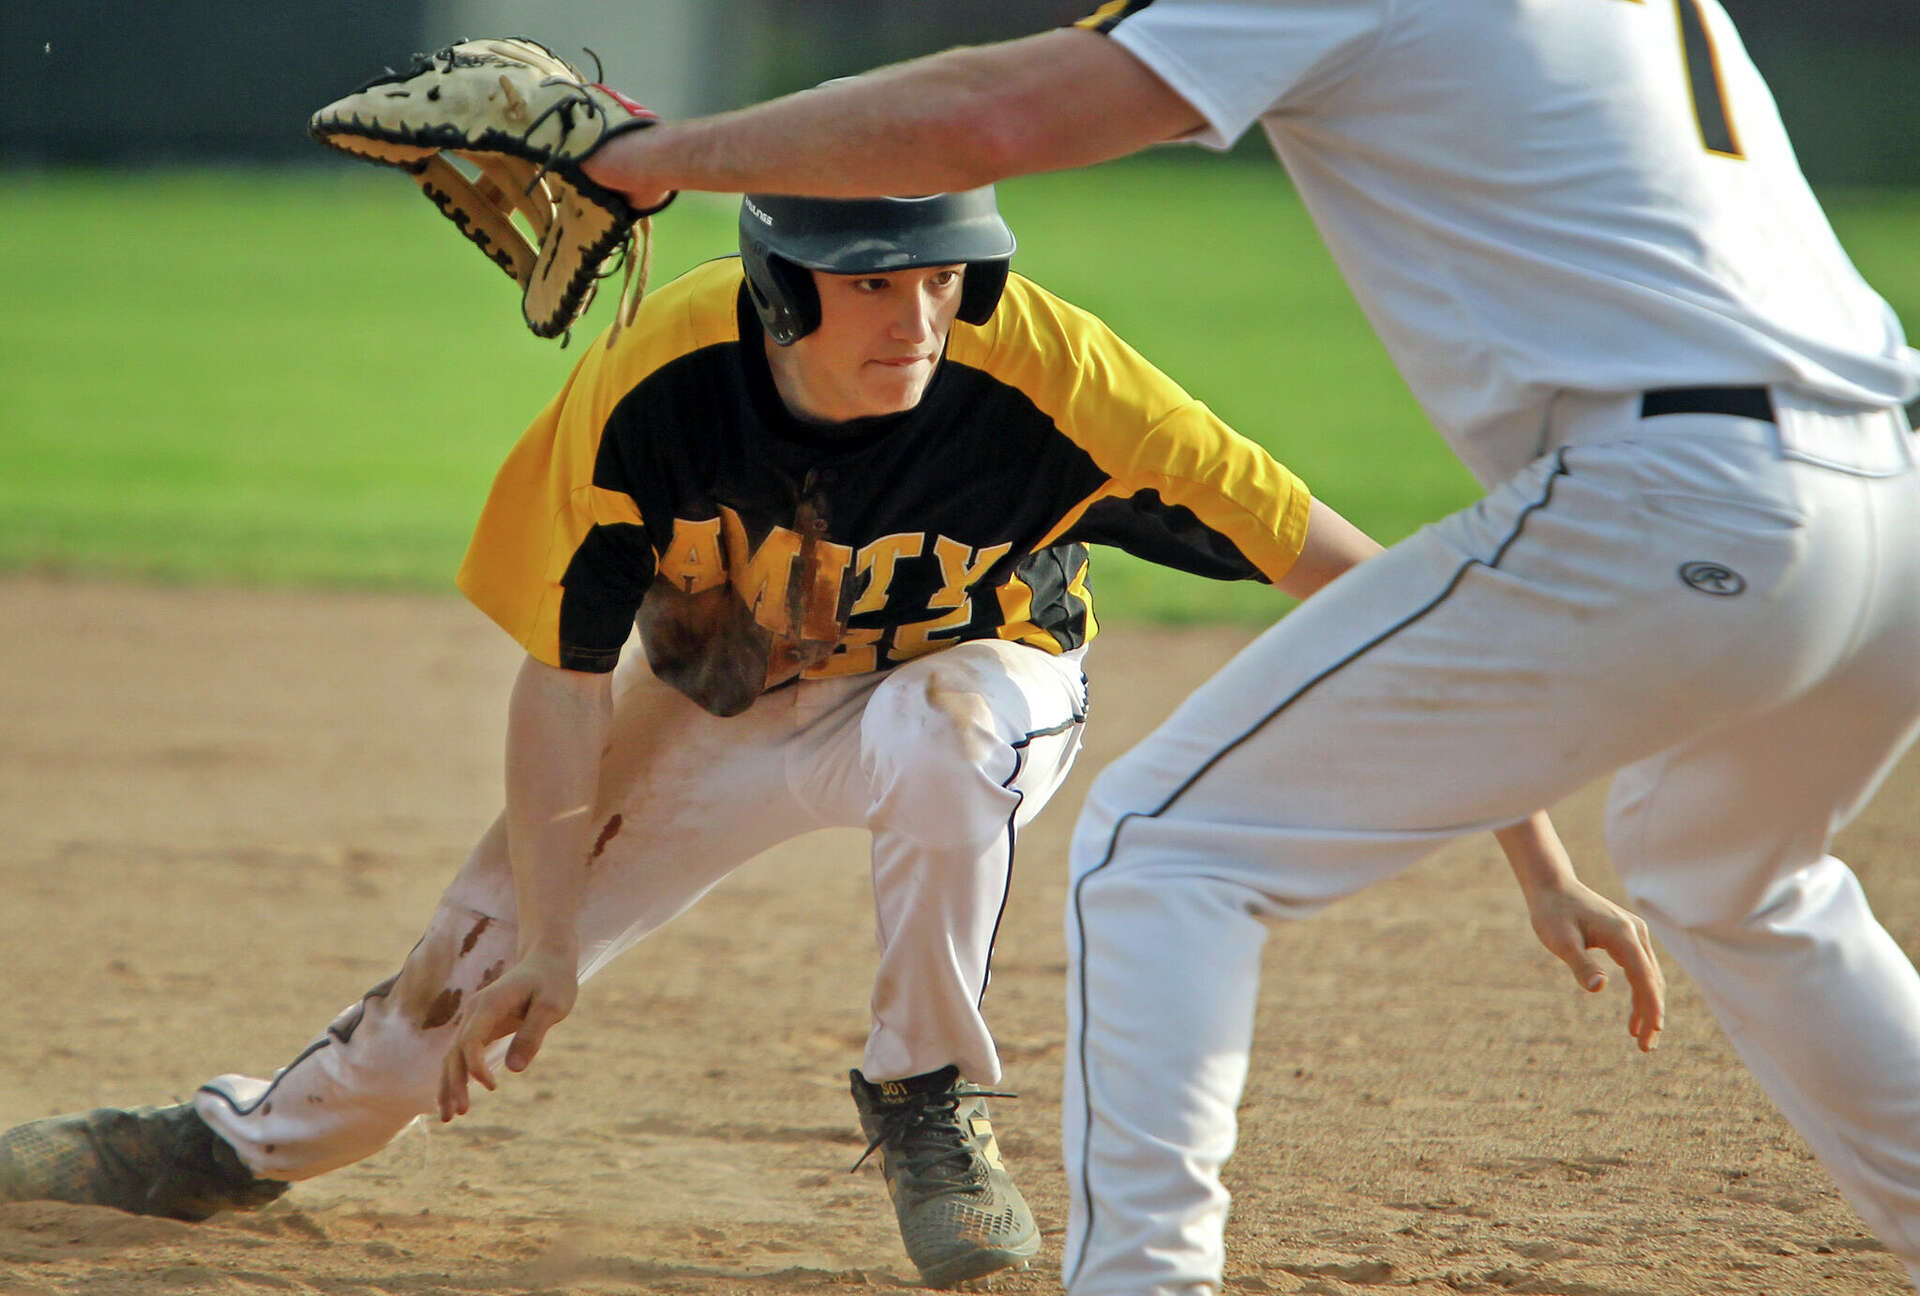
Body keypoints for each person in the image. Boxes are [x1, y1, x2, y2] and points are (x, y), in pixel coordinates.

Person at [0, 185, 1659, 1287]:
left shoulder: (1058, 383)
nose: (920, 317)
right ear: (783, 290)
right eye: (876, 282)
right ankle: (241, 1144)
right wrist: (561, 936)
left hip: (988, 672)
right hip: (714, 698)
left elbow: (1361, 594)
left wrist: (1539, 861)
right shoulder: (656, 384)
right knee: (479, 953)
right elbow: (562, 681)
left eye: (945, 276)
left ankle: (925, 1094)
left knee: (945, 739)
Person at [571, 3, 1920, 1294]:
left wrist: (644, 159)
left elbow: (990, 116)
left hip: (1684, 486)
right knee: (1734, 875)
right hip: (1885, 489)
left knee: (1157, 848)